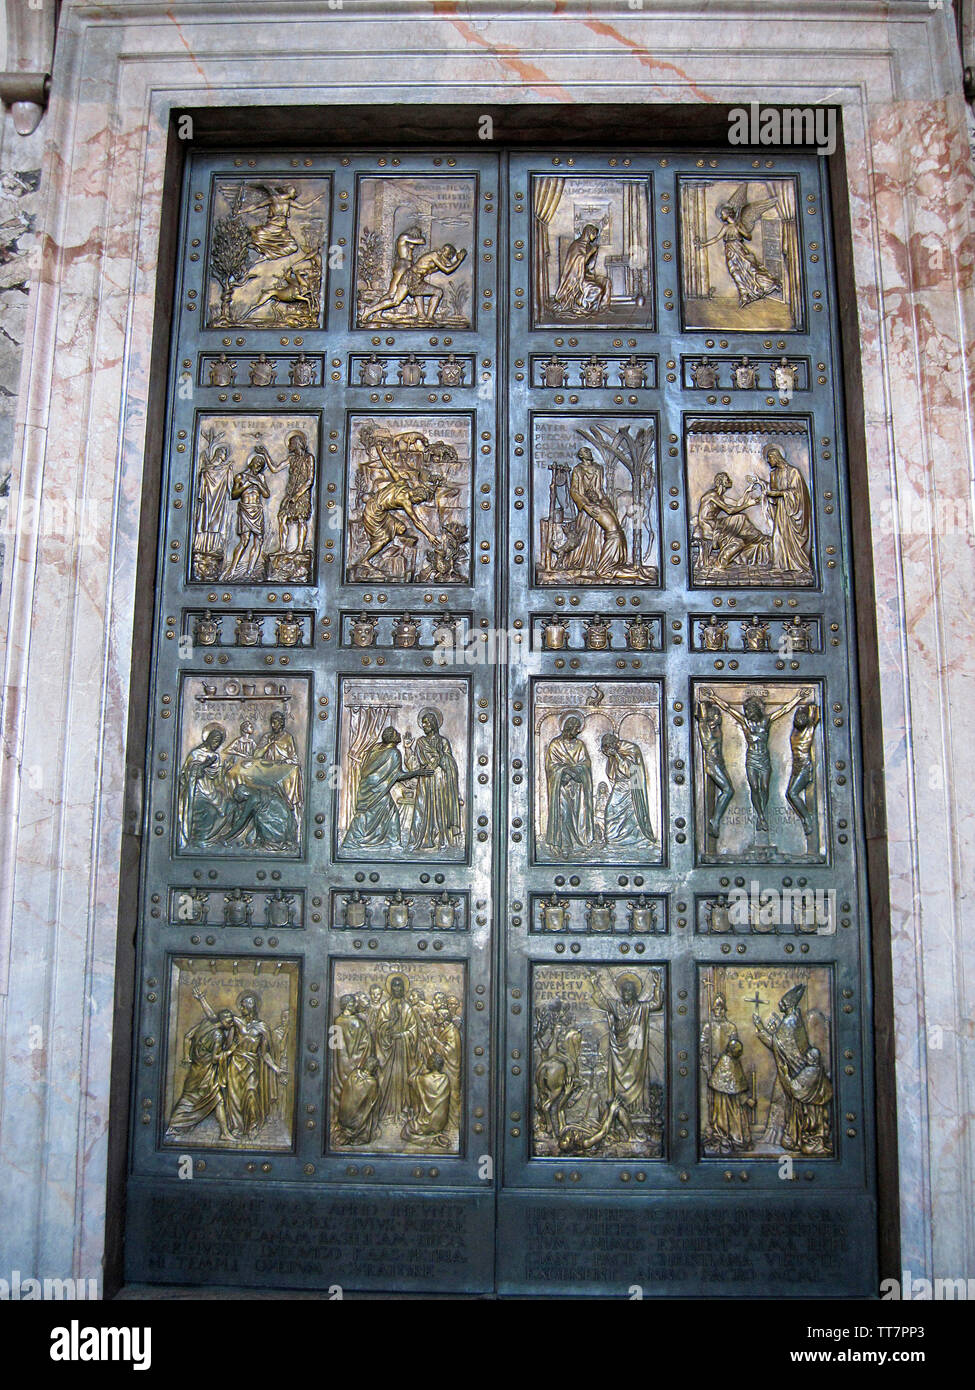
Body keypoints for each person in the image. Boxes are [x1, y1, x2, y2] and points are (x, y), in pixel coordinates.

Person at [703, 687, 809, 833]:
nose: (748, 713)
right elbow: (727, 709)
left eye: (750, 710)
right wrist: (714, 697)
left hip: (764, 759)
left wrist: (797, 698)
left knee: (764, 787)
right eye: (746, 711)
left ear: (756, 710)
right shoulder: (746, 723)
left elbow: (784, 710)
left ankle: (762, 813)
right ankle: (760, 817)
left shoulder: (766, 721)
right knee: (754, 787)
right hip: (752, 759)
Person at [588, 970, 663, 1136]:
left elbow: (657, 1003)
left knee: (637, 1077)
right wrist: (594, 984)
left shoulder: (641, 1008)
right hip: (618, 1051)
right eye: (624, 991)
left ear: (635, 993)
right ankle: (619, 1112)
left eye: (629, 990)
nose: (626, 993)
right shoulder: (616, 1006)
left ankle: (636, 1110)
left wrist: (657, 986)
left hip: (635, 1048)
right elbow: (601, 1001)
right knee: (617, 1081)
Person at [341, 727, 433, 850]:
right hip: (378, 789)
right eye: (397, 733)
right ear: (393, 737)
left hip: (367, 787)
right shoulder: (394, 753)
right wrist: (418, 772)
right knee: (389, 812)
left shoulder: (376, 748)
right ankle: (389, 841)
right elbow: (398, 775)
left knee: (368, 813)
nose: (400, 734)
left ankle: (360, 839)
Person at [165, 990, 238, 1142]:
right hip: (206, 1074)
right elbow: (215, 1059)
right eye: (229, 1021)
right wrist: (230, 1051)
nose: (232, 1024)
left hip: (196, 1069)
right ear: (222, 1021)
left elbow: (188, 1037)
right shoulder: (218, 1035)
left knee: (206, 1098)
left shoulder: (206, 1024)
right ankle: (174, 1125)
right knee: (195, 1099)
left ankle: (224, 1132)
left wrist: (187, 1056)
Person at [561, 447, 629, 579]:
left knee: (617, 527)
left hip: (598, 501)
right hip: (586, 503)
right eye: (586, 452)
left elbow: (599, 489)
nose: (589, 453)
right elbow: (574, 491)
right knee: (612, 531)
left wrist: (606, 503)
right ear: (581, 455)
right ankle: (600, 565)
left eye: (590, 451)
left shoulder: (598, 468)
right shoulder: (578, 470)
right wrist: (586, 506)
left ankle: (613, 560)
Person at [404, 708, 462, 850]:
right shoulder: (420, 742)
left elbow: (451, 763)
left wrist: (439, 758)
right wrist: (407, 749)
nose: (424, 726)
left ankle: (442, 839)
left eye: (426, 723)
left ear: (434, 724)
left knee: (440, 810)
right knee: (423, 810)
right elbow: (414, 766)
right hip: (425, 780)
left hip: (441, 781)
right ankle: (426, 839)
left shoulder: (443, 742)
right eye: (423, 724)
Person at [700, 994, 752, 1153]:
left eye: (722, 1009)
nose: (719, 1011)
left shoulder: (731, 1027)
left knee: (730, 1102)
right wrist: (705, 1056)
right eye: (717, 1008)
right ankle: (718, 1132)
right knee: (716, 1103)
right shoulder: (708, 1026)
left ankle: (731, 1135)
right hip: (713, 1066)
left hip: (728, 1066)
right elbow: (703, 1043)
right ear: (713, 1010)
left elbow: (735, 1046)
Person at [695, 470, 769, 574]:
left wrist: (748, 491)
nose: (730, 480)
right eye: (727, 479)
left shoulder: (720, 497)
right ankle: (720, 564)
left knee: (741, 518)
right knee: (738, 537)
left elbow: (738, 504)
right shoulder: (712, 495)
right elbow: (729, 510)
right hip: (710, 528)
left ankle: (759, 537)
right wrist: (749, 504)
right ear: (721, 482)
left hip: (716, 525)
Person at [544, 713, 595, 856]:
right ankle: (565, 845)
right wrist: (564, 771)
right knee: (564, 815)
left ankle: (578, 843)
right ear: (568, 728)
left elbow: (586, 763)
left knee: (578, 814)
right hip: (562, 787)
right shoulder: (556, 744)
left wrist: (575, 771)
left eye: (579, 729)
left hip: (577, 786)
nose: (578, 731)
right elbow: (551, 766)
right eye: (576, 728)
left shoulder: (580, 744)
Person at [375, 976, 421, 1122]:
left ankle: (402, 1109)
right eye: (394, 986)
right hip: (388, 1051)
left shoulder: (408, 1008)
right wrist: (390, 1025)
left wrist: (401, 1035)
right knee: (387, 1079)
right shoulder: (385, 1007)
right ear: (390, 988)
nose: (397, 988)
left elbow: (414, 1030)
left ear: (403, 989)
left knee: (402, 1077)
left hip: (404, 1050)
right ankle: (387, 1110)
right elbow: (379, 1029)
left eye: (400, 986)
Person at [600, 731, 656, 848]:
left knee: (632, 814)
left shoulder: (631, 749)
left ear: (612, 745)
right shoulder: (613, 752)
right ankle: (612, 840)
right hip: (619, 786)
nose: (606, 752)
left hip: (631, 787)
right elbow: (611, 773)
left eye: (607, 749)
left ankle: (636, 839)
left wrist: (617, 755)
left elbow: (632, 771)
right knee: (610, 811)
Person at [764, 445, 812, 577]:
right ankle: (778, 565)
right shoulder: (773, 474)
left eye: (769, 458)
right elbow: (773, 494)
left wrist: (780, 493)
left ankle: (795, 564)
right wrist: (770, 494)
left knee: (789, 537)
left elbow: (798, 493)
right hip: (780, 510)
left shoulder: (793, 472)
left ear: (776, 457)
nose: (768, 461)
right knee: (777, 535)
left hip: (791, 510)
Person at [176, 724, 227, 847]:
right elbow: (190, 772)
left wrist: (224, 770)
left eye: (219, 742)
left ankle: (205, 838)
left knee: (224, 810)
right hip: (196, 790)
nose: (216, 744)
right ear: (208, 739)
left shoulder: (216, 756)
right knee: (208, 811)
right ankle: (197, 838)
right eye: (214, 741)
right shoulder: (196, 753)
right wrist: (205, 764)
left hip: (209, 789)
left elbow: (216, 777)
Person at [224, 450, 271, 580]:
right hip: (245, 509)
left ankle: (250, 571)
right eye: (256, 463)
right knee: (244, 541)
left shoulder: (261, 478)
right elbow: (234, 495)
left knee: (259, 540)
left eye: (261, 465)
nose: (258, 466)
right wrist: (246, 485)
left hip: (257, 509)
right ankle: (232, 569)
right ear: (251, 463)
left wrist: (257, 483)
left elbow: (266, 494)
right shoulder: (241, 476)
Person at [695, 700, 735, 839]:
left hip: (719, 762)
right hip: (712, 764)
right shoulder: (705, 727)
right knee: (728, 790)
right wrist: (704, 700)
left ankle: (715, 820)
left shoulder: (717, 729)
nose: (720, 718)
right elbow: (702, 718)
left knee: (728, 790)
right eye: (717, 715)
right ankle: (715, 820)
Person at [553, 222, 609, 316]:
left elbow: (589, 266)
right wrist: (591, 252)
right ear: (588, 233)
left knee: (606, 282)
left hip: (586, 275)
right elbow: (578, 263)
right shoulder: (577, 245)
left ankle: (603, 307)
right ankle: (583, 307)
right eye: (593, 234)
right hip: (576, 279)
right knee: (597, 289)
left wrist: (593, 254)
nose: (595, 237)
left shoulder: (589, 246)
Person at [276, 431, 315, 554]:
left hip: (302, 494)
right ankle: (282, 548)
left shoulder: (308, 458)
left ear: (297, 443)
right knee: (282, 517)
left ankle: (299, 548)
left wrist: (297, 495)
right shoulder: (291, 459)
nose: (288, 446)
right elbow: (275, 468)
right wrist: (265, 454)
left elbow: (309, 480)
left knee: (301, 519)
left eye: (291, 443)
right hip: (290, 493)